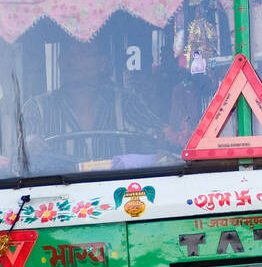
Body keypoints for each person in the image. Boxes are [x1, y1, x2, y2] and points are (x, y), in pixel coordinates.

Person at [22, 36, 166, 169]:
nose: (72, 61)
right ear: (59, 60)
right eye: (67, 53)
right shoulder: (37, 108)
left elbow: (159, 138)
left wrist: (163, 139)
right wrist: (30, 143)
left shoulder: (126, 103)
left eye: (83, 53)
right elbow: (19, 163)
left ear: (103, 62)